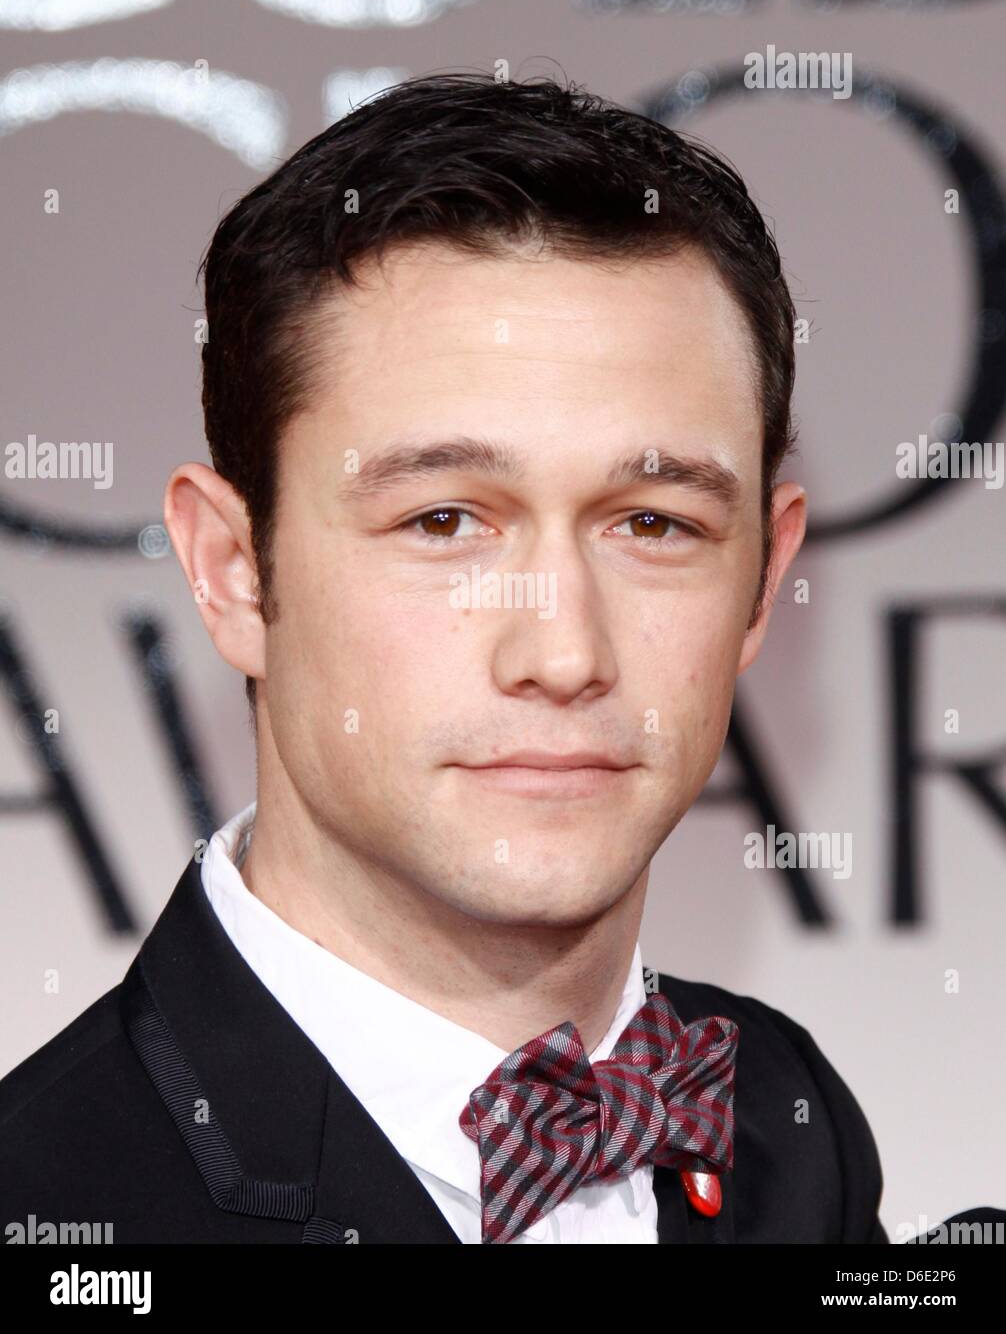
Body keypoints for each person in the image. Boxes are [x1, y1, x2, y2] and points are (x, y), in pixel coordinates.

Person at [0, 72, 886, 1244]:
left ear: (763, 580)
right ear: (231, 570)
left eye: (652, 524)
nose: (562, 650)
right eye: (444, 522)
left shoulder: (780, 1114)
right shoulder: (47, 1202)